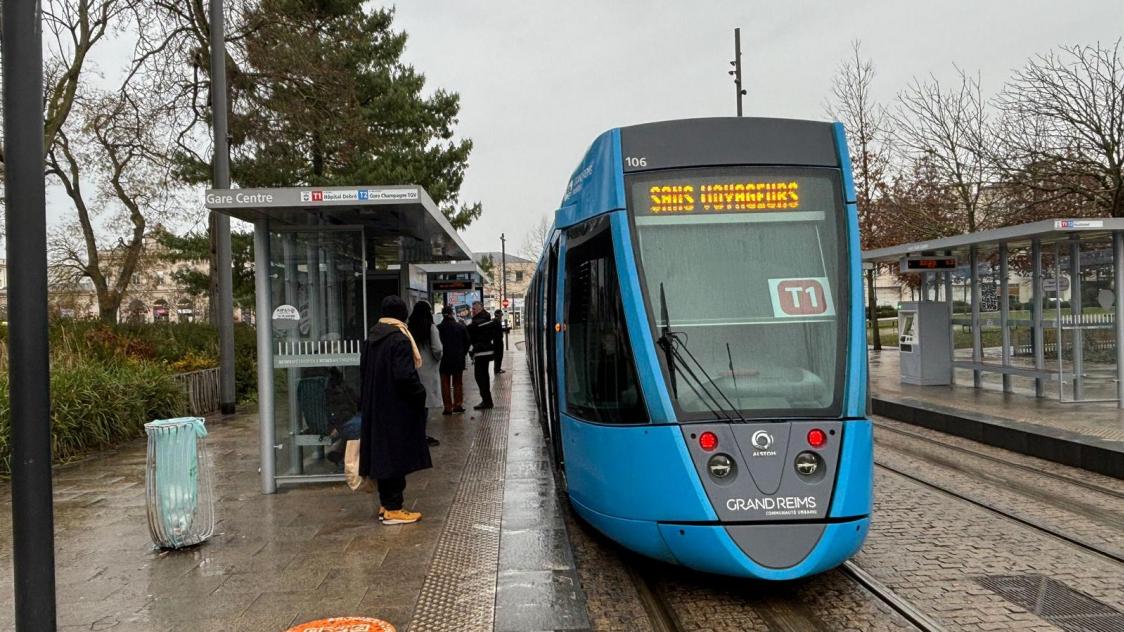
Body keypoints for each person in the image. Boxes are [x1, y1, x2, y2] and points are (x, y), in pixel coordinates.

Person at [358, 295, 430, 525]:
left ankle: (386, 503)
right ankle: (394, 508)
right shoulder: (398, 339)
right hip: (396, 408)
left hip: (376, 406)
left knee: (384, 456)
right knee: (397, 456)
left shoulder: (373, 337)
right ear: (402, 314)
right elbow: (404, 376)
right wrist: (420, 393)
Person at [408, 300, 444, 447]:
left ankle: (415, 434)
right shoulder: (431, 328)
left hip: (413, 370)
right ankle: (420, 435)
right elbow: (438, 349)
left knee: (415, 405)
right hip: (427, 370)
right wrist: (437, 359)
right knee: (425, 405)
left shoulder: (409, 328)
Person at [437, 306, 470, 415]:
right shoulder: (460, 327)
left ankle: (447, 407)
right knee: (458, 383)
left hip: (444, 359)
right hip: (458, 359)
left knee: (445, 383)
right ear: (452, 314)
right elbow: (467, 342)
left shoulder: (438, 328)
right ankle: (458, 404)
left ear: (443, 315)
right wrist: (463, 353)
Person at [466, 301, 496, 409]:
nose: (472, 311)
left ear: (480, 309)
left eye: (474, 309)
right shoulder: (484, 318)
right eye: (472, 309)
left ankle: (487, 401)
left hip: (482, 352)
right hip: (483, 351)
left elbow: (471, 329)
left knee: (480, 377)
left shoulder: (480, 320)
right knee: (483, 377)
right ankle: (487, 401)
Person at [492, 309, 506, 375]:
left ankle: (498, 369)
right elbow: (497, 331)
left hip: (497, 340)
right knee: (498, 356)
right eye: (501, 314)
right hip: (497, 341)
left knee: (499, 356)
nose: (502, 315)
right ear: (497, 314)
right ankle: (497, 370)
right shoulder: (496, 320)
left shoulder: (496, 320)